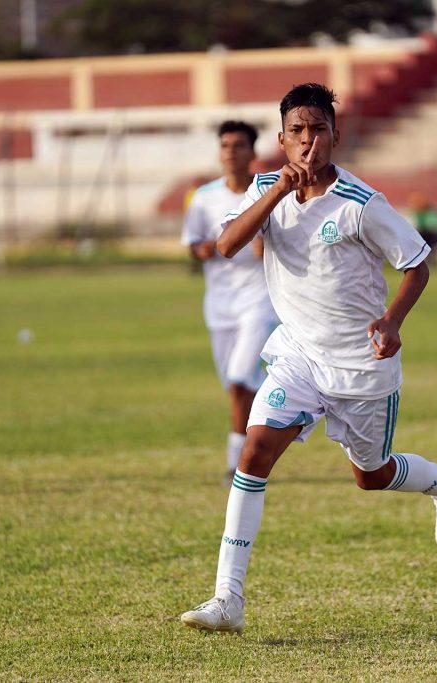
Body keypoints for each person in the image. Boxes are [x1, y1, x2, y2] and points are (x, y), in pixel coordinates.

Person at [180, 84, 437, 634]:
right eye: (297, 132)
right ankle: (228, 600)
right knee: (254, 452)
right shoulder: (267, 188)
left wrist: (391, 322)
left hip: (361, 366)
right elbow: (225, 246)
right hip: (298, 355)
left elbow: (417, 265)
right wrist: (275, 195)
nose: (308, 142)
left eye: (318, 130)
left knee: (371, 476)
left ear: (335, 136)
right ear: (282, 140)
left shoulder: (363, 204)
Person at [181, 121, 280, 485]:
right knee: (236, 386)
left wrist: (265, 245)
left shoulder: (267, 192)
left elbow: (285, 240)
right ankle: (260, 446)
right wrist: (204, 249)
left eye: (239, 145)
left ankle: (238, 465)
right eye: (225, 145)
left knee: (240, 380)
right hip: (220, 305)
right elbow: (191, 243)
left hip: (260, 302)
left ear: (252, 153)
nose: (230, 152)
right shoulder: (204, 197)